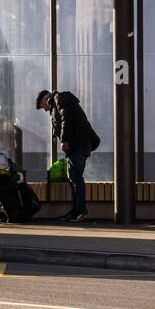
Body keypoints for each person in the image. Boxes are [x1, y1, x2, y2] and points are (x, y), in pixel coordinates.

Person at [36, 89, 101, 222]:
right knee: (73, 176)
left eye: (43, 106)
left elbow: (67, 118)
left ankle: (80, 210)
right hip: (78, 144)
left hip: (80, 143)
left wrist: (64, 140)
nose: (44, 109)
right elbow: (62, 120)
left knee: (76, 176)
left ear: (45, 98)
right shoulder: (57, 103)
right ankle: (76, 210)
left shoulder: (60, 99)